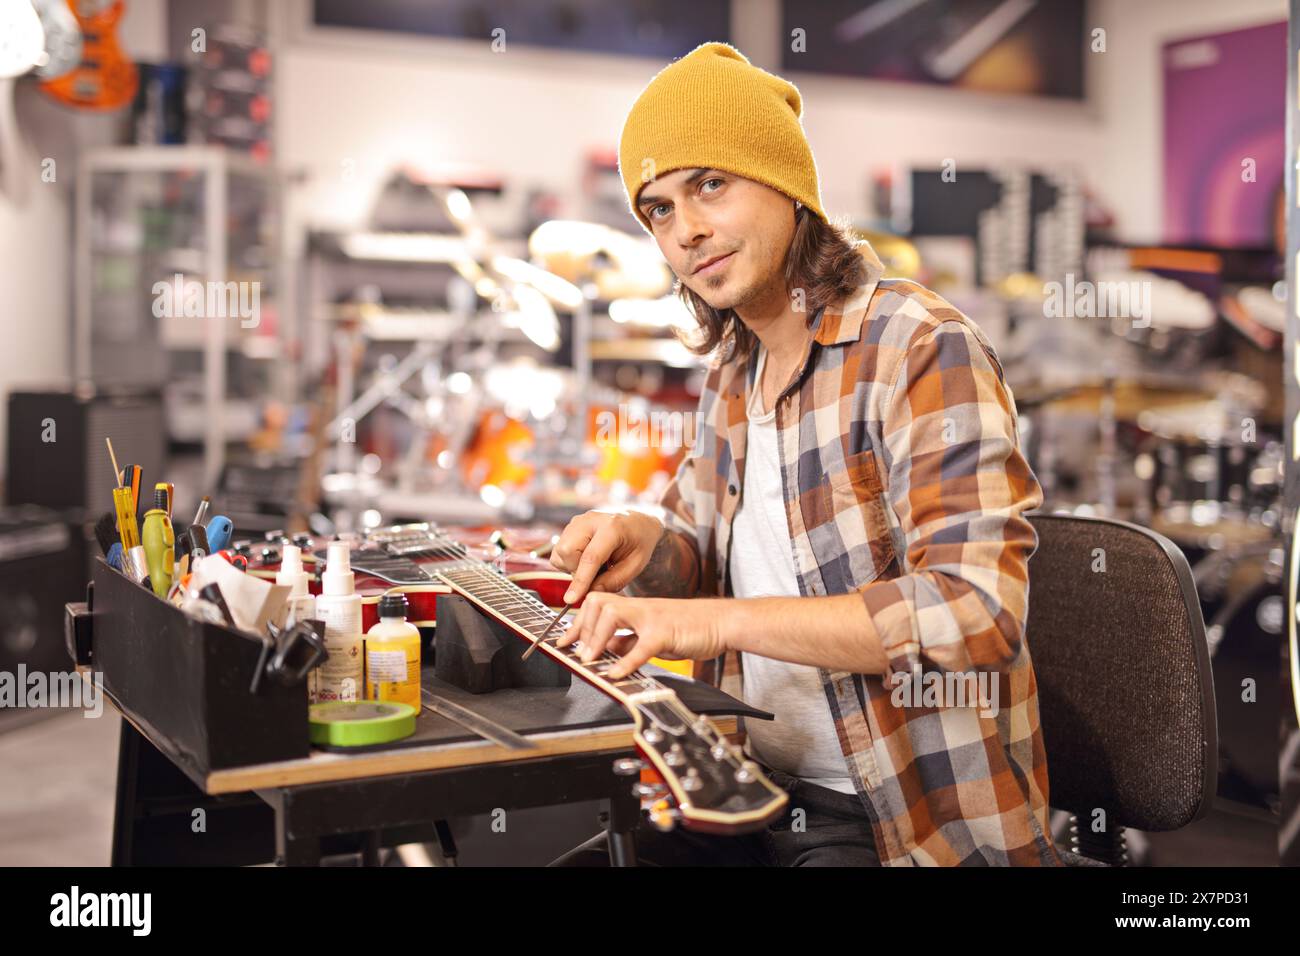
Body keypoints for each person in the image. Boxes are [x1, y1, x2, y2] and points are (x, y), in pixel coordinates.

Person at [549, 42, 1061, 867]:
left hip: (895, 822)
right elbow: (694, 550)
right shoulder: (734, 370)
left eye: (709, 184)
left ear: (787, 184)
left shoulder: (918, 345)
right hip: (748, 787)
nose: (688, 231)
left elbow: (974, 614)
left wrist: (702, 620)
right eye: (659, 210)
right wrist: (642, 543)